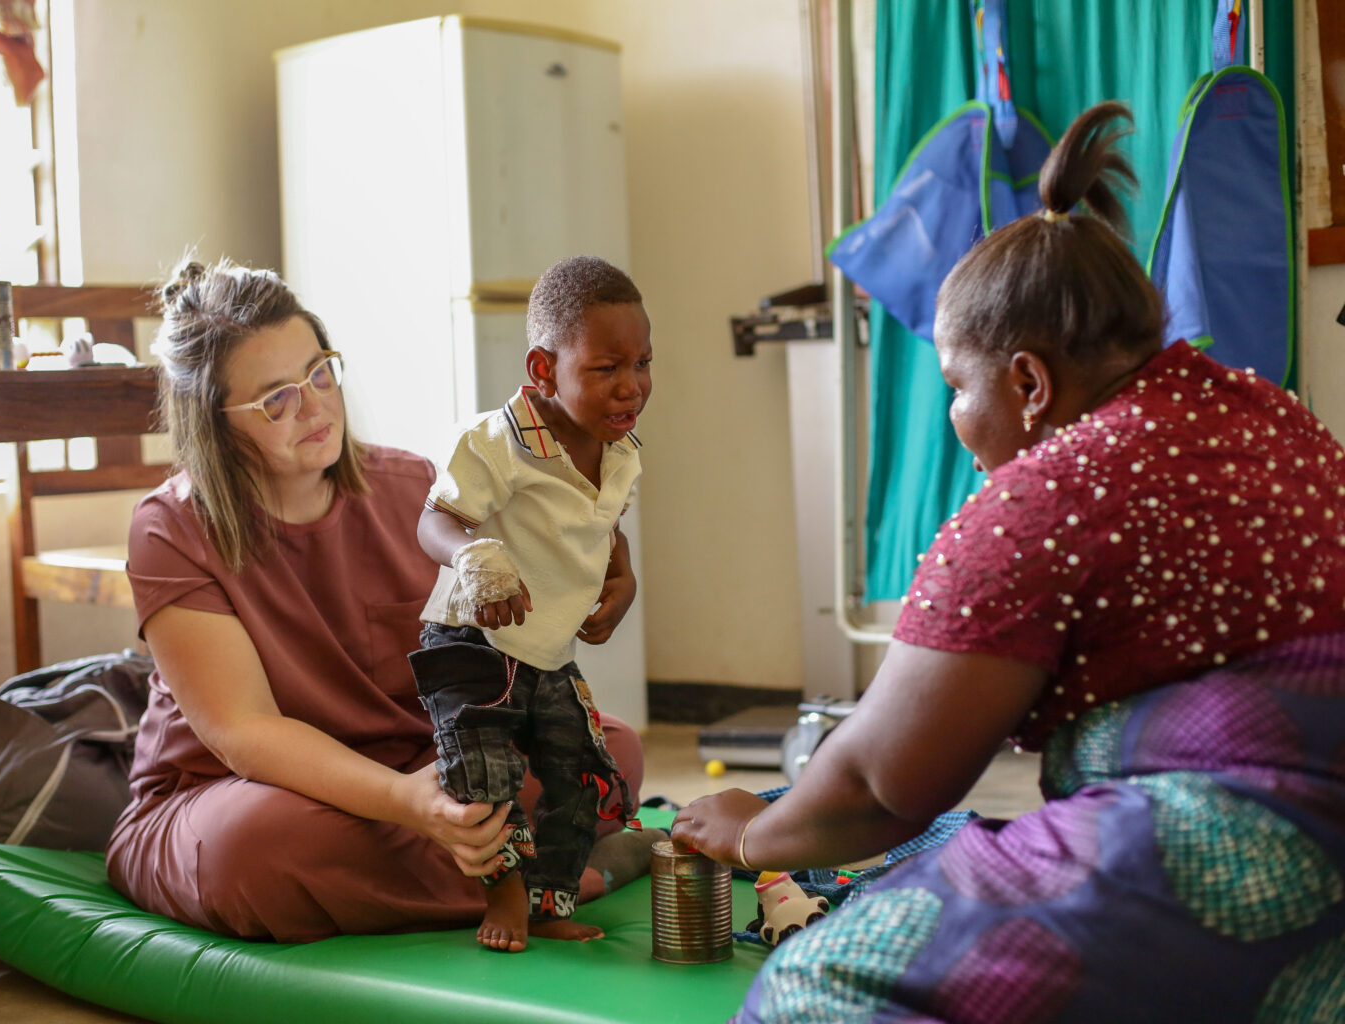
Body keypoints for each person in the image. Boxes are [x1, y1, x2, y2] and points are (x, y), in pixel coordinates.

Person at [672, 101, 1345, 1021]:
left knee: (819, 980)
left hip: (1263, 848)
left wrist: (755, 838)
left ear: (1028, 384)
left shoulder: (1048, 496)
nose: (955, 423)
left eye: (956, 387)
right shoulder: (1265, 410)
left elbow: (882, 787)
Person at [105, 258, 646, 944]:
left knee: (607, 749)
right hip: (240, 795)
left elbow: (506, 630)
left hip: (414, 768)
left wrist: (608, 566)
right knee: (251, 852)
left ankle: (482, 868)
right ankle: (574, 879)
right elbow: (244, 733)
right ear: (213, 422)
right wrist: (409, 803)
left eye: (320, 373)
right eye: (278, 399)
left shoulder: (412, 486)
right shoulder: (171, 528)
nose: (316, 406)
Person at [409, 255, 657, 953]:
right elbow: (436, 519)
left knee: (582, 775)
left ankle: (550, 898)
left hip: (547, 652)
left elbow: (604, 523)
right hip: (471, 643)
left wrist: (623, 577)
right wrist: (473, 557)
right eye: (606, 368)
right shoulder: (496, 443)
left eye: (642, 363)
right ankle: (506, 894)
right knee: (484, 774)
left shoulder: (621, 450)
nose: (631, 386)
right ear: (544, 371)